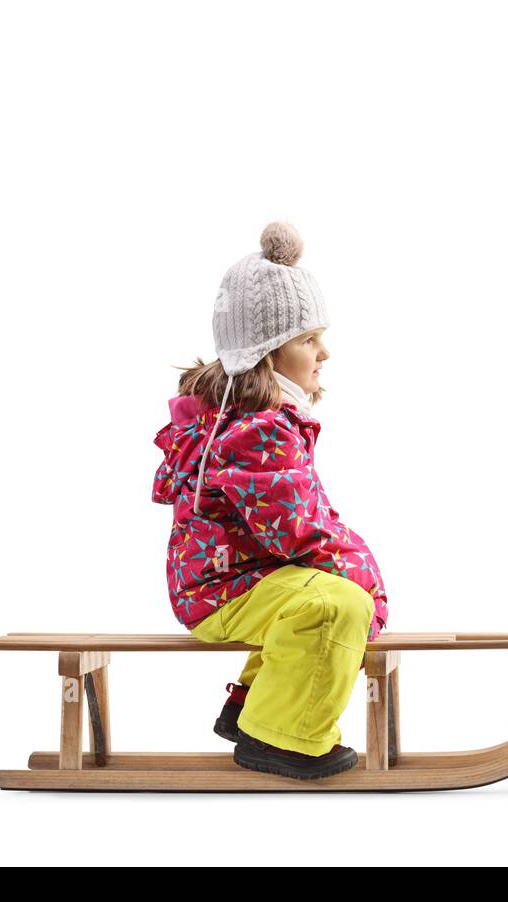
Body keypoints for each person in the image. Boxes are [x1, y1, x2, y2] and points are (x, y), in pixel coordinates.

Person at [151, 222, 389, 780]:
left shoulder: (258, 419)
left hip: (229, 578)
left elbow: (297, 526)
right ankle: (283, 738)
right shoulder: (260, 430)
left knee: (320, 592)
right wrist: (363, 575)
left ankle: (250, 706)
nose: (324, 351)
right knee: (337, 604)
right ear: (266, 354)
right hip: (223, 587)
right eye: (309, 339)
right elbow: (296, 530)